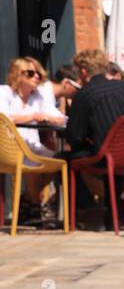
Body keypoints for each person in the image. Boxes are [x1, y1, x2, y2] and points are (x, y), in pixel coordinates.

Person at [61, 48, 124, 229]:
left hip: (110, 158)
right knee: (110, 153)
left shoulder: (85, 94)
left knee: (63, 161)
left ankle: (90, 211)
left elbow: (75, 138)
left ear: (84, 72)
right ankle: (114, 216)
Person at [0, 57, 67, 228]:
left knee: (62, 159)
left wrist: (50, 118)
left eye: (38, 73)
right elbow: (4, 116)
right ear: (17, 75)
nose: (36, 76)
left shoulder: (38, 97)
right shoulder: (5, 92)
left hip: (32, 147)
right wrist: (32, 116)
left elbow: (61, 119)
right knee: (33, 162)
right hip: (7, 148)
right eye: (30, 73)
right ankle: (33, 204)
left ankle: (30, 200)